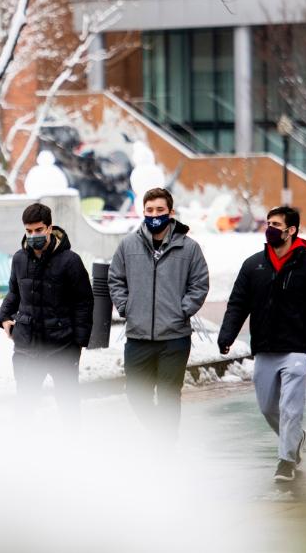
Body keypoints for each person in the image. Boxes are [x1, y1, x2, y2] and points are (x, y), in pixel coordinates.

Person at [218, 206, 306, 483]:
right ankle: (295, 438)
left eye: (276, 224)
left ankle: (286, 461)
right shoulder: (253, 265)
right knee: (267, 407)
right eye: (268, 223)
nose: (270, 229)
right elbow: (238, 303)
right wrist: (227, 336)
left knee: (290, 407)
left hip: (297, 347)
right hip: (265, 347)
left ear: (291, 230)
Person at [107, 188, 210, 439]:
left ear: (170, 212)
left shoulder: (189, 248)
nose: (154, 215)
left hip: (174, 338)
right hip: (138, 336)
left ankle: (165, 448)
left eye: (160, 210)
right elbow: (115, 279)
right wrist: (126, 307)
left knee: (168, 397)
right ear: (143, 211)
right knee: (136, 395)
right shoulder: (128, 245)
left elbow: (199, 284)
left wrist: (182, 311)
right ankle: (160, 435)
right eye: (150, 210)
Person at [0, 202, 93, 417]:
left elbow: (84, 302)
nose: (33, 235)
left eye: (38, 230)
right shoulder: (19, 259)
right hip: (27, 346)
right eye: (29, 231)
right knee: (25, 406)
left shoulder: (70, 261)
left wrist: (78, 343)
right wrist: (4, 318)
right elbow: (14, 292)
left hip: (62, 346)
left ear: (49, 228)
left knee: (68, 405)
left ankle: (72, 438)